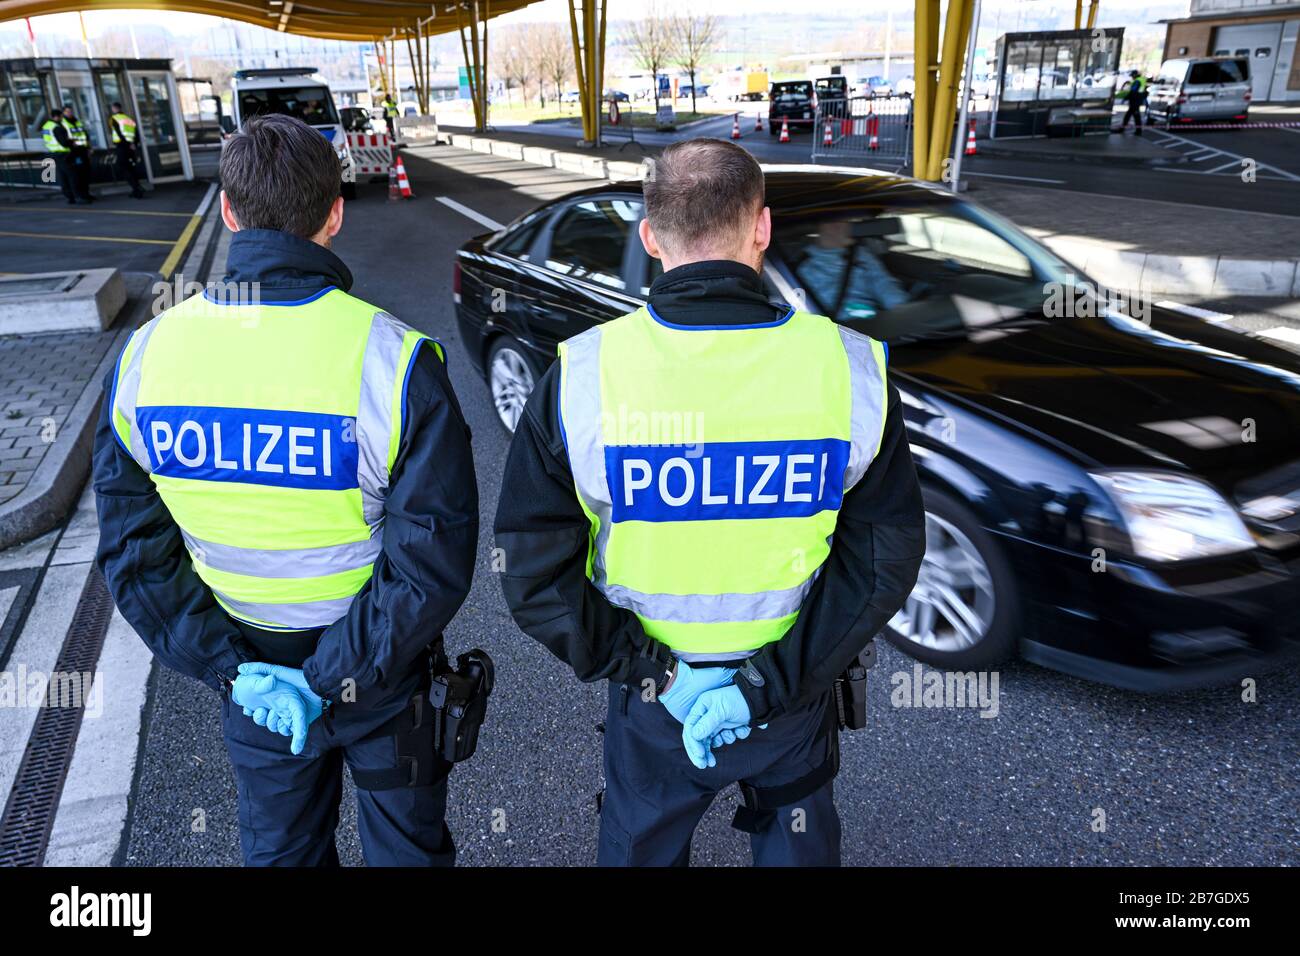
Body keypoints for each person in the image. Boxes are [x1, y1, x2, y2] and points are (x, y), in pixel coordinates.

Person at [495, 138, 926, 866]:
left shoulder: (582, 375)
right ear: (761, 228)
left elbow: (532, 571)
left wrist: (656, 672)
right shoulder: (851, 368)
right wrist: (766, 685)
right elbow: (883, 559)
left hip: (657, 701)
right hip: (792, 693)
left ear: (651, 238)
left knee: (642, 848)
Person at [93, 114, 479, 867]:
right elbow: (432, 562)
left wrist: (232, 670)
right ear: (335, 213)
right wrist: (335, 675)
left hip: (252, 677)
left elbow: (133, 554)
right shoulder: (394, 361)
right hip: (381, 672)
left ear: (229, 213)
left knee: (281, 856)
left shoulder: (147, 356)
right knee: (407, 852)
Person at [40, 108, 79, 204]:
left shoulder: (46, 126)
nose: (62, 118)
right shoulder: (57, 127)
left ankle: (69, 197)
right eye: (61, 116)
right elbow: (64, 142)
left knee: (62, 176)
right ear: (57, 117)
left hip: (53, 153)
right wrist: (72, 142)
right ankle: (76, 196)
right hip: (63, 154)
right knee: (71, 175)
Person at [108, 101, 145, 199]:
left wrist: (128, 144)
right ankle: (136, 188)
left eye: (112, 108)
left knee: (124, 168)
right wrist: (134, 144)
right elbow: (136, 133)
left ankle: (136, 188)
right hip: (131, 147)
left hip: (122, 146)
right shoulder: (129, 119)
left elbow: (119, 133)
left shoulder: (113, 119)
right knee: (131, 168)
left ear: (114, 109)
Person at [61, 105, 94, 202]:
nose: (70, 113)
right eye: (67, 112)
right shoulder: (63, 124)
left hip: (83, 150)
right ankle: (80, 195)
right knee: (77, 174)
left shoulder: (78, 122)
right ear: (63, 113)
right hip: (73, 152)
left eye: (70, 111)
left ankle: (86, 193)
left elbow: (85, 136)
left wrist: (89, 147)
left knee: (85, 173)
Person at [1120, 69, 1148, 135]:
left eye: (1132, 75)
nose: (1131, 77)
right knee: (1129, 116)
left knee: (1136, 117)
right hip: (1137, 101)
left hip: (1135, 102)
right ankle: (1123, 129)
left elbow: (1133, 92)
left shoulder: (1137, 81)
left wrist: (1125, 98)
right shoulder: (1141, 80)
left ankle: (1138, 131)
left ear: (1135, 75)